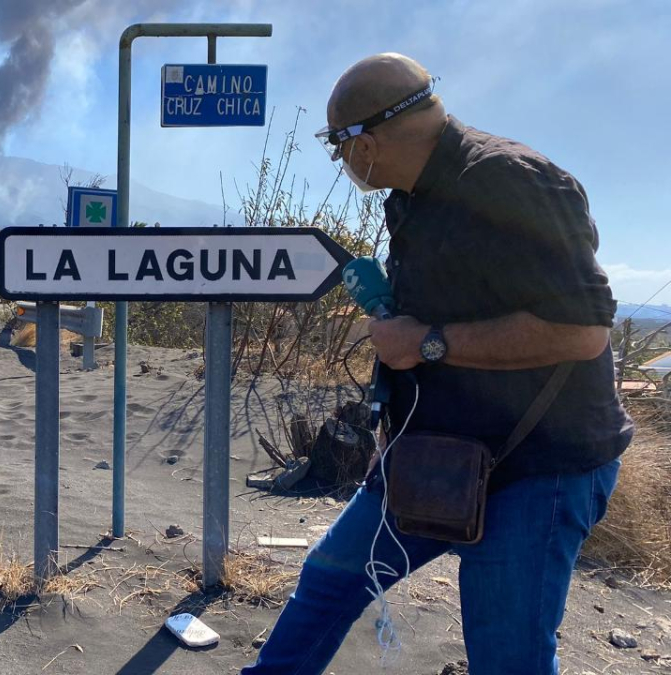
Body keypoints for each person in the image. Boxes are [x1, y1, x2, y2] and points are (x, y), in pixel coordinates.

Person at [242, 53, 632, 675]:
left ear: (365, 143)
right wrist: (397, 316)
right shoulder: (411, 196)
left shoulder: (515, 181)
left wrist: (426, 342)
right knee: (327, 586)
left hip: (536, 470)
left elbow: (582, 331)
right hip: (431, 457)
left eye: (339, 148)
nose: (343, 164)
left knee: (509, 659)